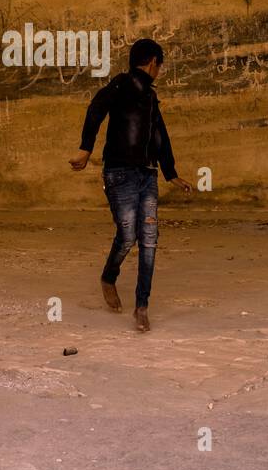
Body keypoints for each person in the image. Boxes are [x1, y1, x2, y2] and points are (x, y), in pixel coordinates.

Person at [69, 38, 191, 332]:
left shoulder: (150, 98)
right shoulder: (121, 85)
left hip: (147, 175)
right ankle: (109, 277)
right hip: (119, 174)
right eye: (159, 66)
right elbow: (96, 108)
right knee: (127, 236)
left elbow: (160, 135)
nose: (158, 71)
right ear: (153, 63)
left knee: (149, 238)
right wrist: (86, 149)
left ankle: (142, 306)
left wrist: (169, 172)